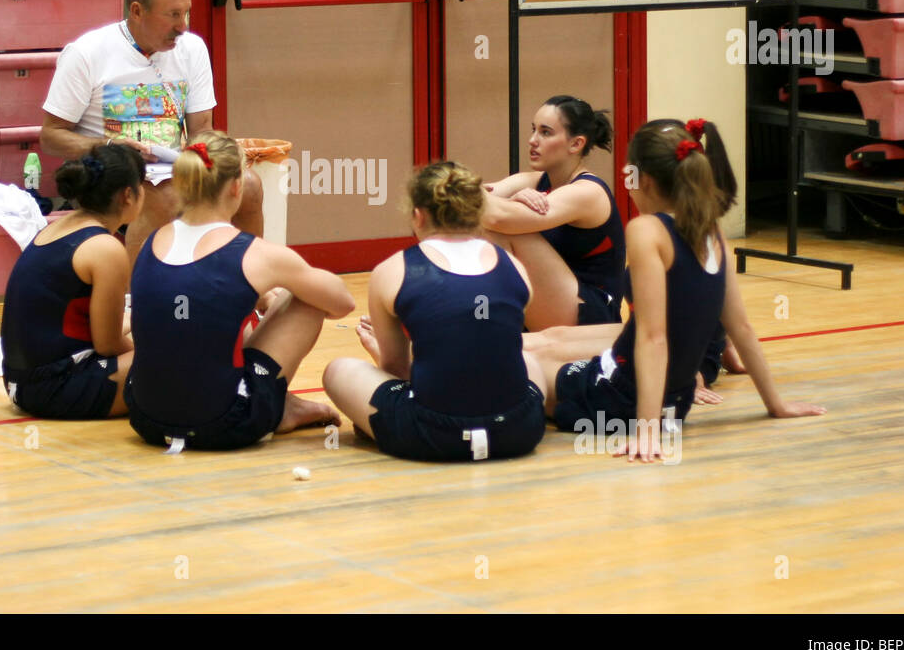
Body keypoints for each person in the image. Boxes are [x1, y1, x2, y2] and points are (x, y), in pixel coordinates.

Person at [527, 120, 826, 462]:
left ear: (645, 180)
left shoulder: (647, 231)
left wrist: (646, 431)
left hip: (615, 397)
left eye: (630, 174)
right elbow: (740, 328)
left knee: (523, 360)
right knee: (547, 339)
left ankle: (483, 426)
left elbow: (653, 337)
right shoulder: (712, 233)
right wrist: (777, 404)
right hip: (675, 404)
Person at [124, 131, 353, 451]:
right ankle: (276, 406)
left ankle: (273, 400)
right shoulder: (256, 253)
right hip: (224, 423)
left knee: (209, 318)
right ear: (236, 187)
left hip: (145, 418)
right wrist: (283, 285)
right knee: (303, 298)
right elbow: (342, 303)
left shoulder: (152, 240)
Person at [322, 162, 548, 462]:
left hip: (432, 437)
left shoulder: (393, 270)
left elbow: (396, 370)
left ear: (417, 215)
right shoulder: (513, 265)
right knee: (527, 358)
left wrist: (386, 359)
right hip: (518, 431)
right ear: (477, 213)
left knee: (337, 370)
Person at [39, 0, 262, 258]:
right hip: (110, 172)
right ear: (137, 11)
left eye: (185, 13)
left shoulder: (192, 49)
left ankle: (247, 289)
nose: (182, 26)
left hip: (172, 167)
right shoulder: (87, 53)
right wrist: (110, 145)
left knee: (247, 185)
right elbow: (51, 136)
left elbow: (200, 132)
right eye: (172, 15)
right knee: (165, 197)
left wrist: (220, 157)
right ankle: (137, 299)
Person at [0, 143, 145, 419]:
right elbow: (109, 345)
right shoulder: (105, 247)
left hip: (23, 383)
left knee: (147, 324)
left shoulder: (59, 227)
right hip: (55, 387)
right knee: (180, 353)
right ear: (129, 194)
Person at [482, 95, 626, 330]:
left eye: (545, 132)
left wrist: (505, 207)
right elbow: (463, 198)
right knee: (469, 221)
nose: (532, 141)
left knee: (505, 230)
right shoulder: (534, 180)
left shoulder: (588, 192)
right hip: (555, 302)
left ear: (576, 144)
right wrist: (504, 200)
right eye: (533, 130)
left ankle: (491, 324)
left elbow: (498, 218)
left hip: (591, 312)